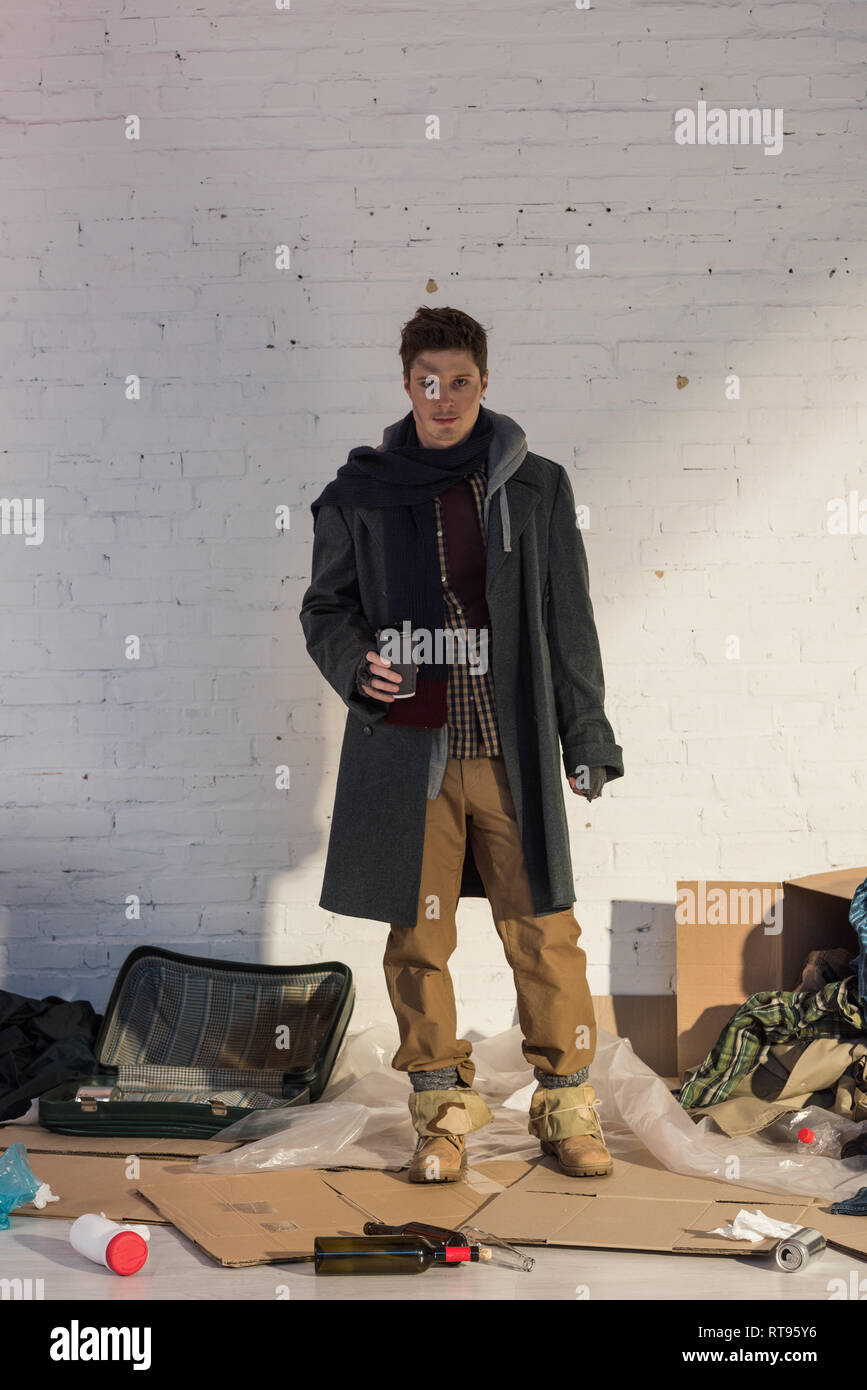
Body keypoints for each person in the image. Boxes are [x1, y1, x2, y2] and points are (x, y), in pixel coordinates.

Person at [300, 306, 624, 1182]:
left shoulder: (534, 486)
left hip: (510, 747)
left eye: (460, 382)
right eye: (426, 382)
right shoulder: (360, 492)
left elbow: (568, 619)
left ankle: (567, 1109)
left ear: (485, 382)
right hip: (410, 753)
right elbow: (325, 607)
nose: (442, 399)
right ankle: (440, 1115)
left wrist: (585, 731)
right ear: (406, 385)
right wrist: (354, 663)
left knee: (543, 929)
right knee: (417, 939)